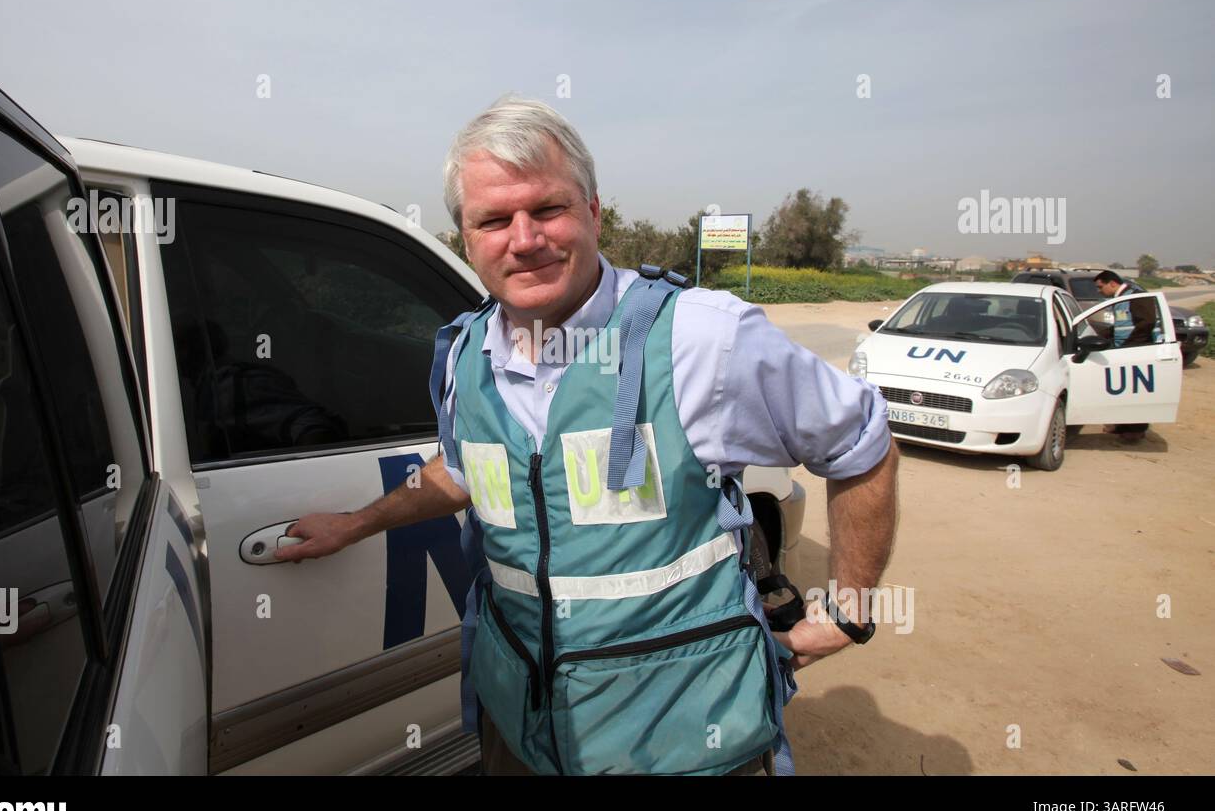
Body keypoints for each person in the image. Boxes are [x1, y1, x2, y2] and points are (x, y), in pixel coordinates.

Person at [279, 95, 898, 776]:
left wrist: (848, 609)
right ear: (465, 237)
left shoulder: (700, 337)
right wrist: (355, 523)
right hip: (521, 733)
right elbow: (462, 472)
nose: (524, 237)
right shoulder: (464, 354)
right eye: (493, 219)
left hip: (682, 744)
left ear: (594, 212)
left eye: (547, 209)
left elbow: (860, 439)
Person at [1094, 270, 1154, 441]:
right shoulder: (1121, 299)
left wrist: (1131, 347)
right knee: (1125, 394)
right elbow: (1124, 324)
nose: (1099, 291)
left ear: (1112, 283)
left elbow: (1147, 322)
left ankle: (1136, 430)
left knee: (1136, 394)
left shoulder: (1136, 297)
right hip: (1125, 351)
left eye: (1100, 287)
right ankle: (1122, 426)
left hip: (1137, 352)